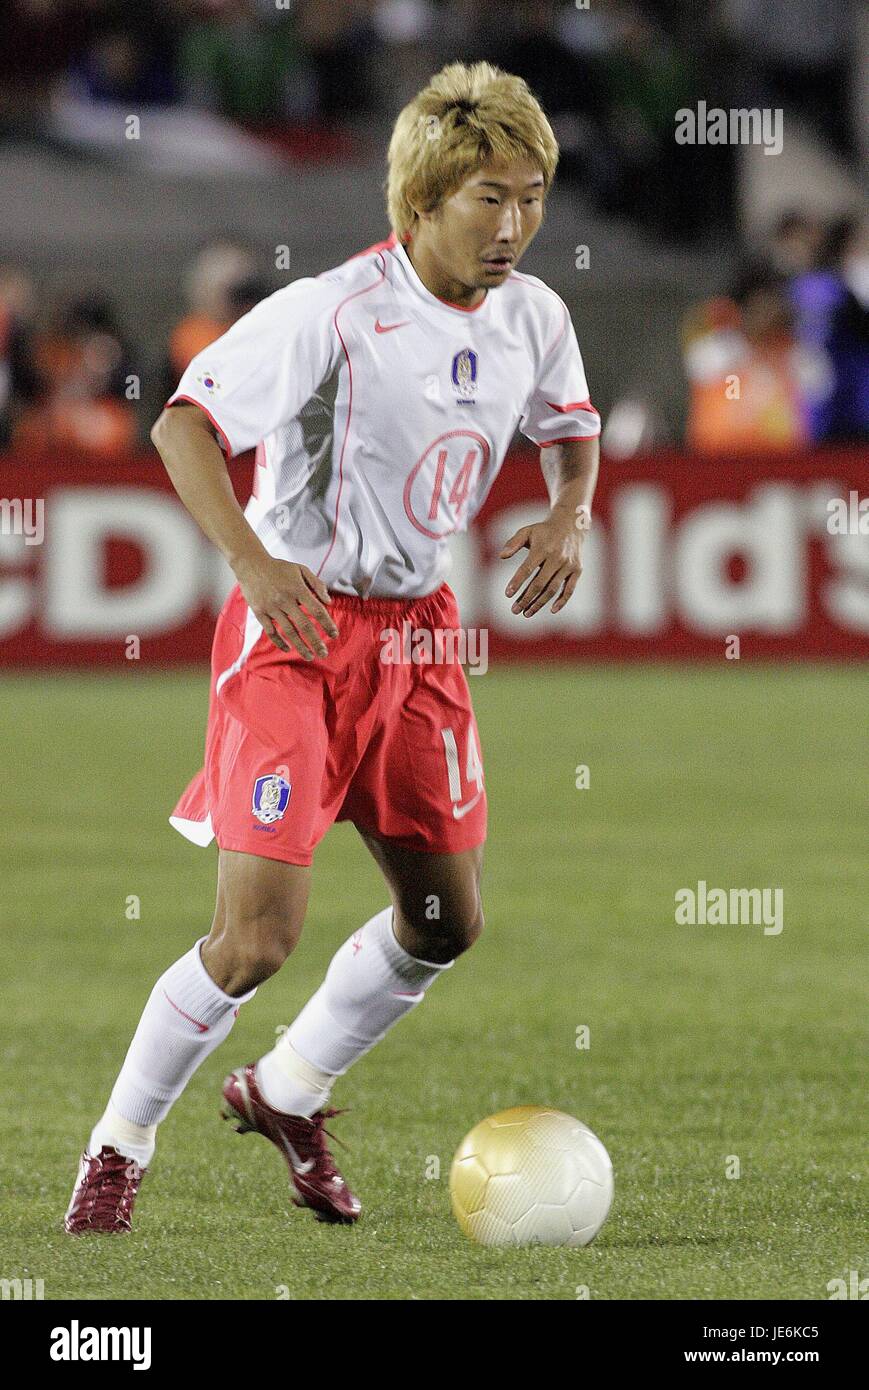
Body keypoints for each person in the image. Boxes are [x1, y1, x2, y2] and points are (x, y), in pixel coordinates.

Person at [64, 60, 600, 1233]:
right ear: (419, 202)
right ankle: (120, 1145)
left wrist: (568, 509)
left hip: (417, 641)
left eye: (528, 199)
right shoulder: (332, 311)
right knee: (255, 938)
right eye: (486, 200)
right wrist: (255, 565)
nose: (511, 225)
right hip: (295, 634)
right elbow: (183, 423)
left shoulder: (533, 315)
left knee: (446, 922)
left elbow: (570, 425)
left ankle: (290, 1089)